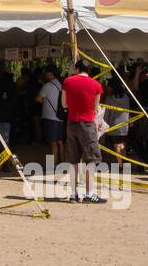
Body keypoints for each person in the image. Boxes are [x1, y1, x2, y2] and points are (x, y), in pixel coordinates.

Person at [62, 60, 105, 202]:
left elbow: (64, 104)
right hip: (87, 124)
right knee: (90, 160)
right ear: (89, 70)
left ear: (76, 68)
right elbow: (96, 107)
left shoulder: (67, 82)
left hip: (72, 123)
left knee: (73, 160)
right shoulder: (96, 85)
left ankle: (73, 193)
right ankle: (89, 193)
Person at [37, 67, 65, 167]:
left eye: (47, 73)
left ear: (51, 74)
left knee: (52, 143)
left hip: (50, 117)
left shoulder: (47, 85)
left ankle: (52, 166)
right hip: (60, 117)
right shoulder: (62, 85)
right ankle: (62, 163)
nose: (45, 75)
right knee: (60, 142)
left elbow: (39, 99)